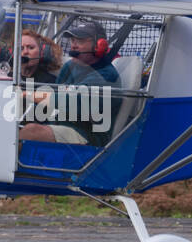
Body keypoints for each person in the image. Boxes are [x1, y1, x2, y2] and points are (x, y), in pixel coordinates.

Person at [19, 18, 121, 146]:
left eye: (80, 41)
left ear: (99, 46)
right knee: (13, 127)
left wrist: (29, 94)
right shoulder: (71, 66)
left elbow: (71, 102)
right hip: (59, 124)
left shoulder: (107, 75)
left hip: (87, 136)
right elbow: (56, 97)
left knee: (32, 132)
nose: (73, 45)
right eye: (73, 40)